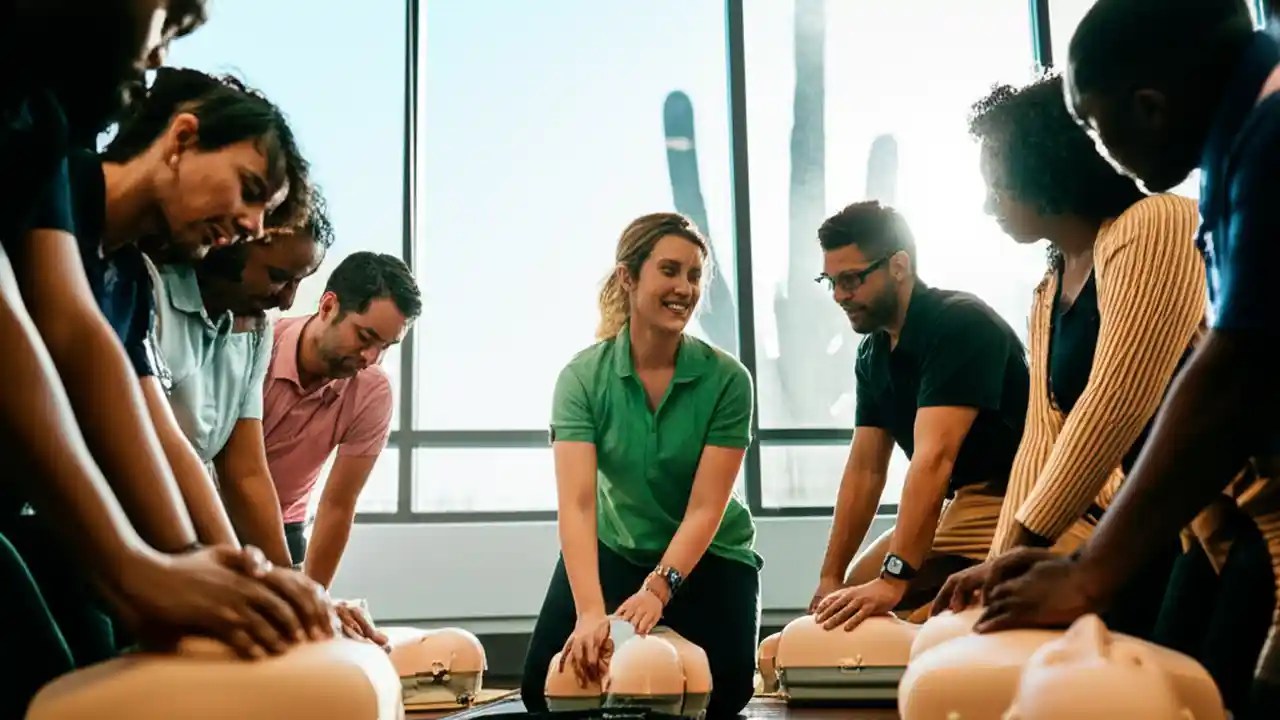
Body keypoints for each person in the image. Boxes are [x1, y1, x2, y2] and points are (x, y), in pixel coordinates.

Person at [0, 2, 331, 716]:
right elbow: (48, 331)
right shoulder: (63, 168)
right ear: (183, 137)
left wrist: (213, 565)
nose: (248, 229)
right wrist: (138, 567)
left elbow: (157, 427)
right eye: (249, 193)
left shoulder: (123, 271)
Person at [972, 0, 1280, 716]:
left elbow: (1218, 378)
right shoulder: (1240, 151)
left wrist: (1088, 571)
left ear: (1148, 107)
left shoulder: (1260, 147)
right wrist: (1030, 555)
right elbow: (1046, 433)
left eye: (1088, 121)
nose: (1088, 140)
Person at [927, 75, 1205, 643]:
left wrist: (1025, 546)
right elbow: (1040, 438)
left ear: (1046, 170)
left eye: (998, 185)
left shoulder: (1155, 224)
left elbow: (1115, 403)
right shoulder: (1049, 290)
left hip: (1214, 512)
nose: (986, 205)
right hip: (1143, 520)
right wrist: (1000, 562)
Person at [520, 212, 760, 718]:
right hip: (617, 546)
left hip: (708, 555)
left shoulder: (728, 380)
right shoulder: (582, 378)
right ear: (628, 277)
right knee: (543, 689)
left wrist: (659, 589)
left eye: (694, 275)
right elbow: (579, 505)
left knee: (727, 694)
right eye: (669, 270)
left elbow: (705, 508)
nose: (684, 288)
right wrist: (590, 613)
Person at [810, 201, 1029, 630]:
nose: (839, 295)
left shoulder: (959, 325)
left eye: (851, 279)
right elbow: (865, 470)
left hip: (1017, 499)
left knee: (897, 609)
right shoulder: (873, 354)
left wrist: (895, 579)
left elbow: (934, 459)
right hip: (963, 504)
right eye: (831, 281)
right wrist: (830, 577)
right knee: (848, 594)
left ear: (898, 265)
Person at [146, 202, 332, 567]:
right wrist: (245, 575)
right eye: (279, 276)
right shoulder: (151, 293)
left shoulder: (255, 334)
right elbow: (160, 448)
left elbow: (245, 471)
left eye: (299, 283)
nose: (287, 300)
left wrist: (288, 581)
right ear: (231, 243)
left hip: (188, 532)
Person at [263, 251, 420, 592]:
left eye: (386, 346)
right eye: (365, 338)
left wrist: (316, 599)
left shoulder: (372, 391)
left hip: (286, 527)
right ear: (328, 306)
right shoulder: (259, 348)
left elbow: (338, 504)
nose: (371, 358)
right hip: (211, 512)